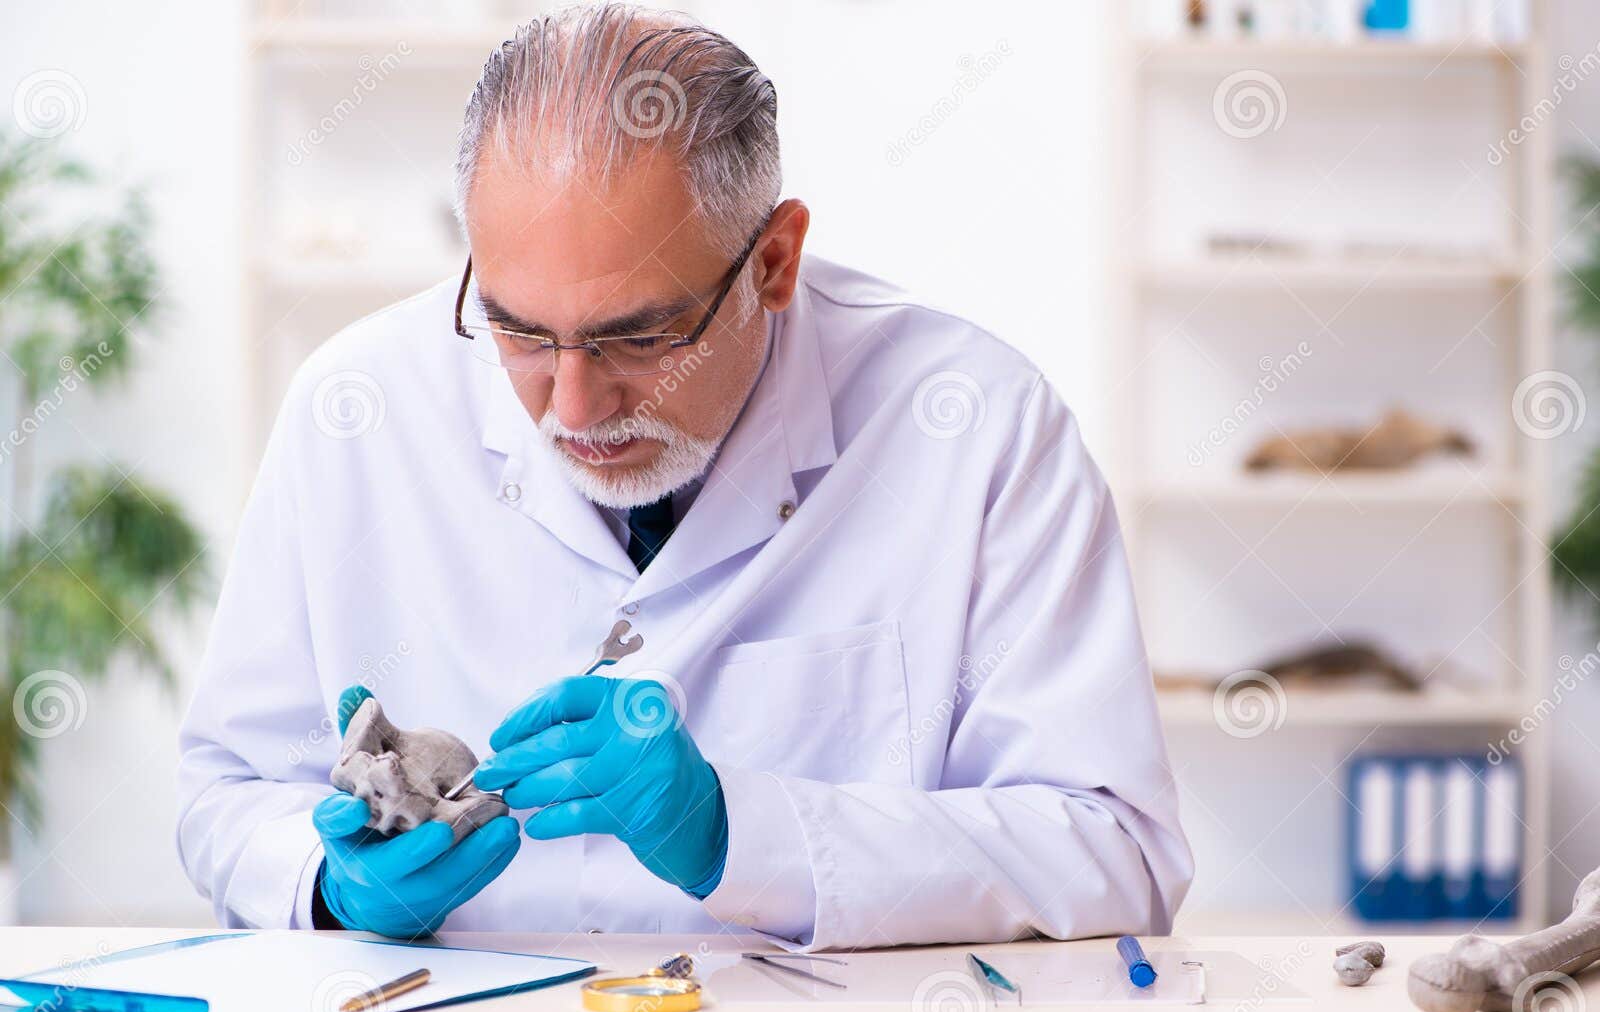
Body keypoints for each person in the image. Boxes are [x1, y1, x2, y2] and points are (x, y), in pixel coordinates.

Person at [177, 3, 1192, 950]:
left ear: (774, 262)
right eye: (518, 331)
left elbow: (1116, 853)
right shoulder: (356, 407)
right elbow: (225, 792)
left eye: (639, 337)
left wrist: (748, 834)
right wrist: (331, 884)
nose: (574, 410)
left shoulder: (974, 424)